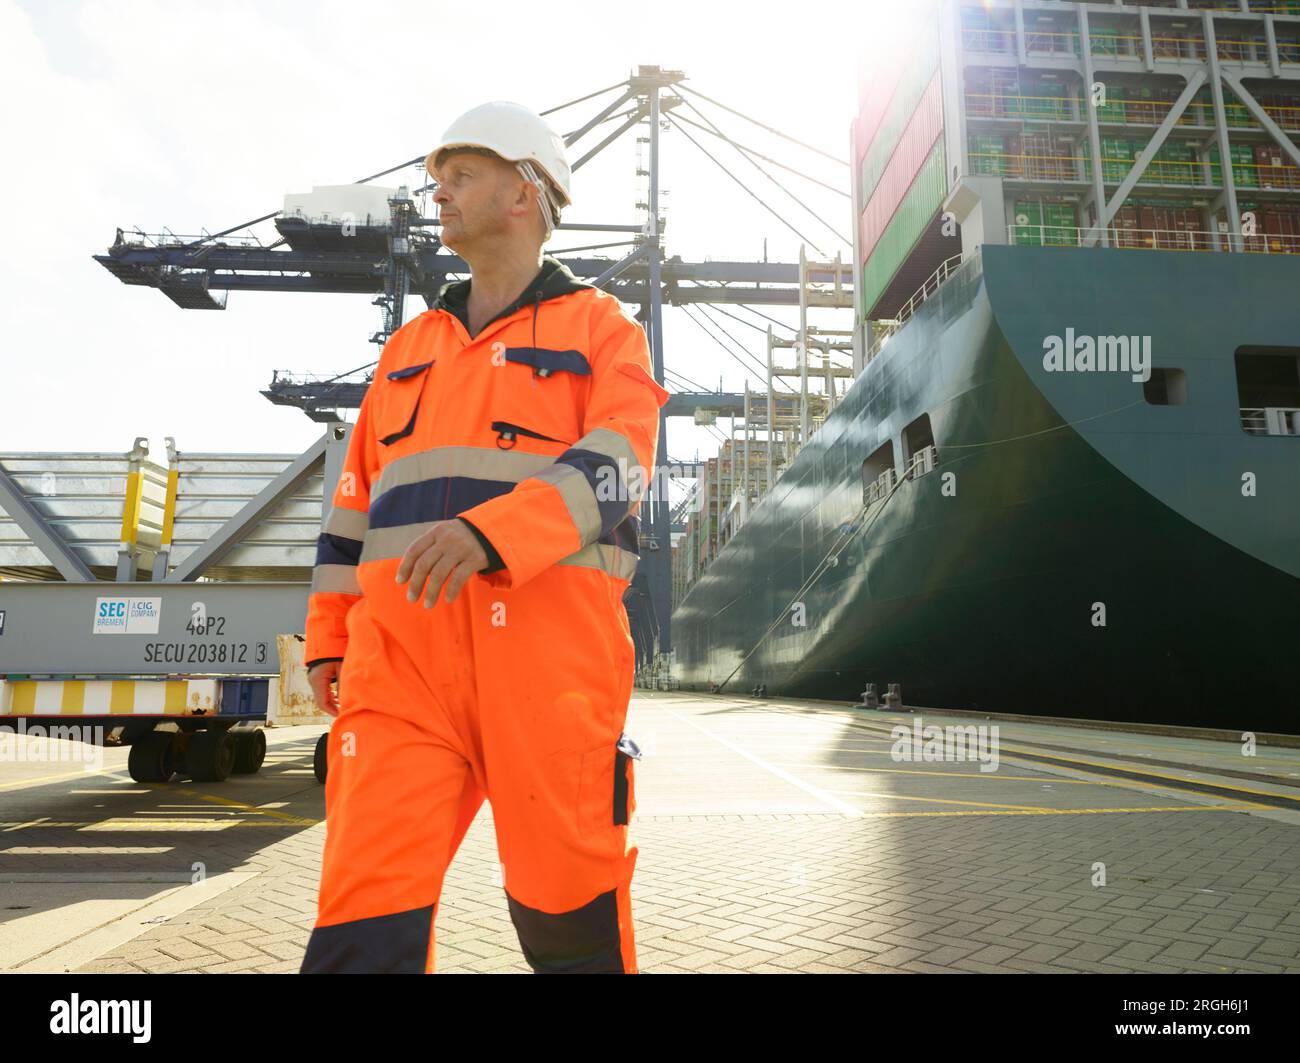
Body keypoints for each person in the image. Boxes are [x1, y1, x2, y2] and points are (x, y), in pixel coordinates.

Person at [298, 100, 669, 974]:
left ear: (526, 192)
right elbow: (352, 506)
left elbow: (621, 463)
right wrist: (327, 641)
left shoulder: (603, 332)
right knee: (362, 915)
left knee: (567, 916)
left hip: (548, 667)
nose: (439, 194)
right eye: (437, 180)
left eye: (460, 176)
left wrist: (493, 534)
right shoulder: (406, 350)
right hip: (401, 672)